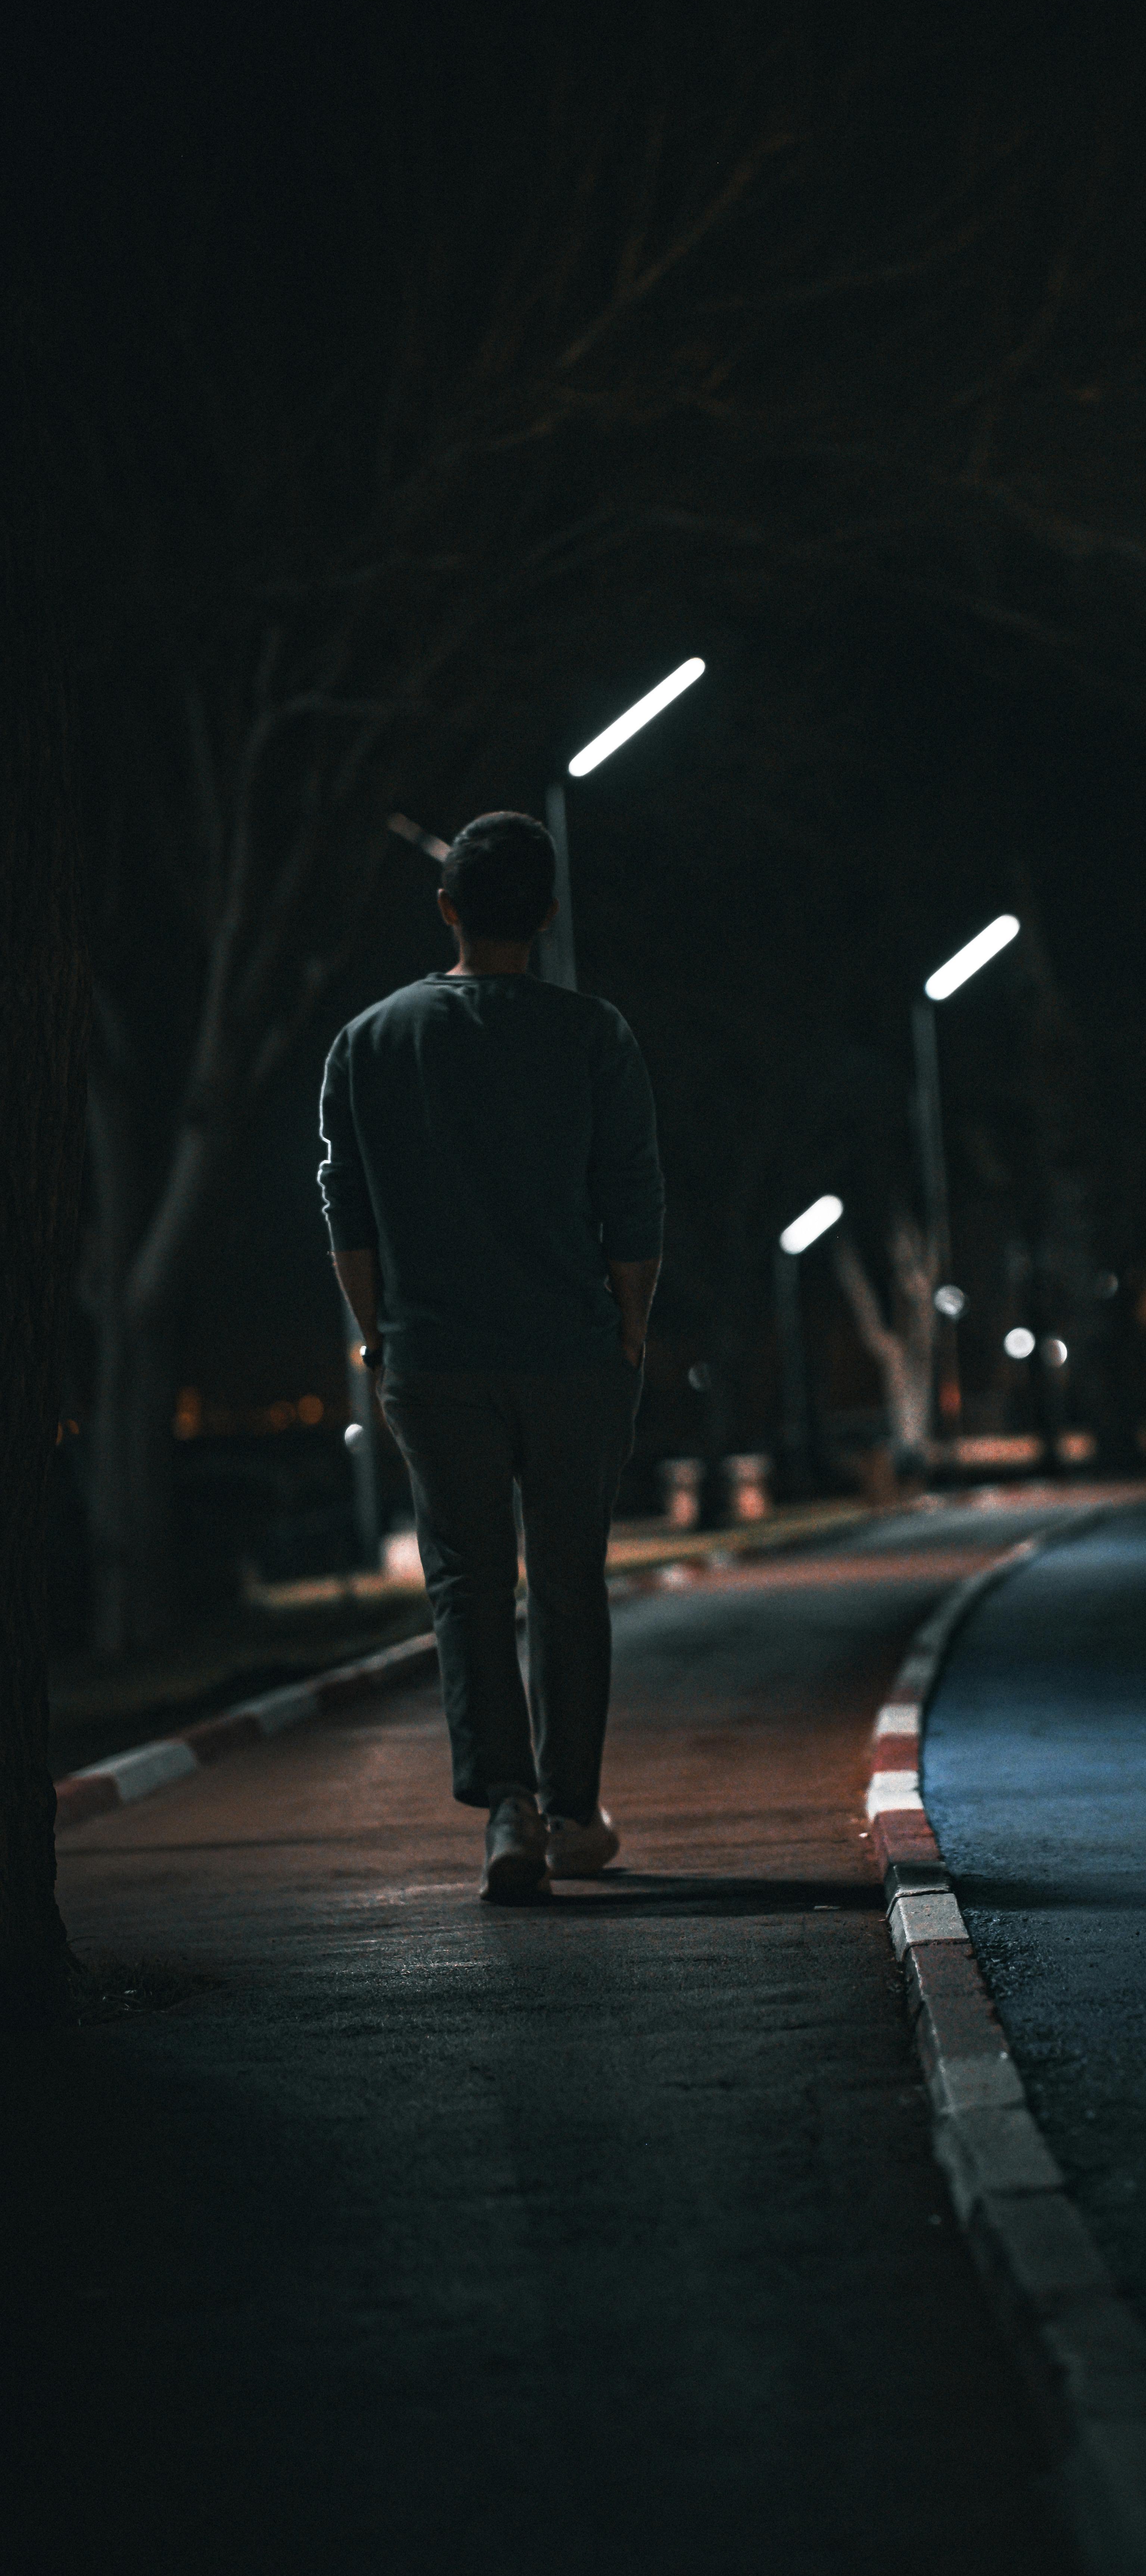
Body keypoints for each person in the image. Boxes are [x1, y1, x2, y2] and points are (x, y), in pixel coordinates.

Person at [317, 811, 663, 1902]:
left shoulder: (369, 1042)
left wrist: (379, 1333)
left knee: (466, 1582)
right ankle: (573, 1810)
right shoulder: (593, 1034)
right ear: (547, 916)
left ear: (448, 909)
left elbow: (348, 1216)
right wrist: (631, 1329)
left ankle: (505, 1809)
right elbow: (633, 1205)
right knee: (569, 1583)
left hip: (436, 1356)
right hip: (569, 1352)